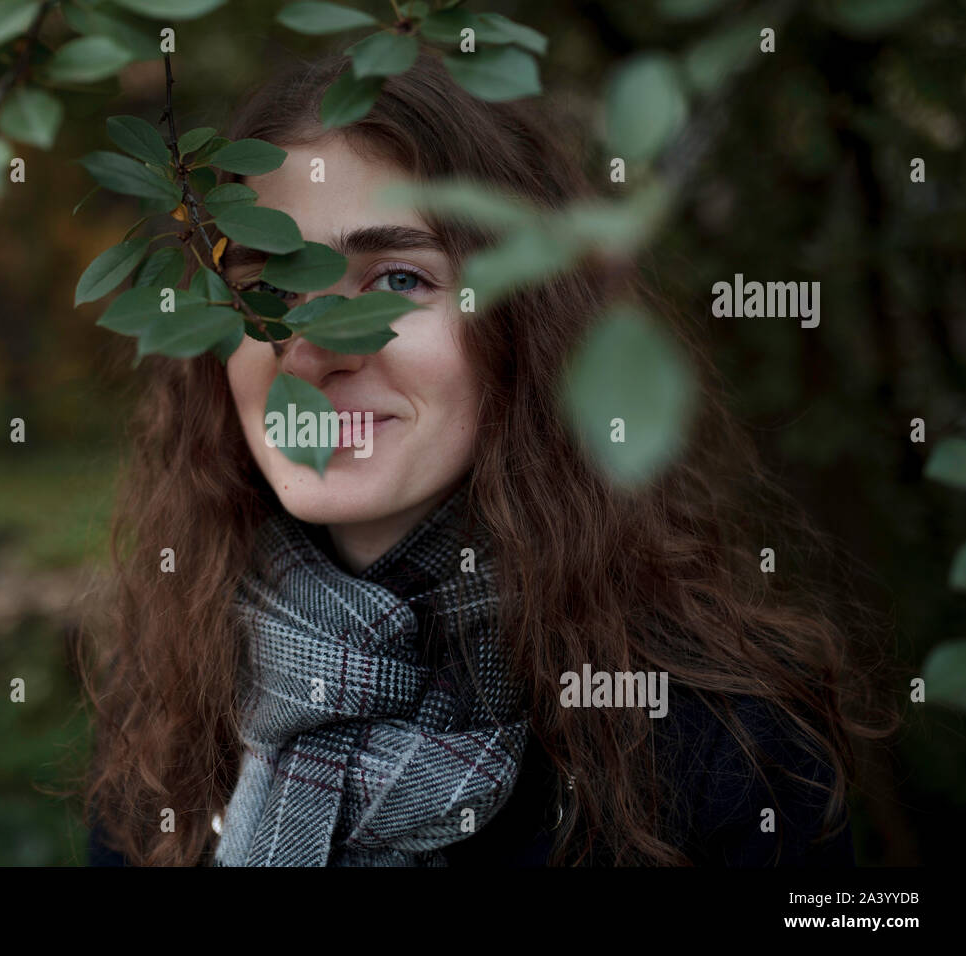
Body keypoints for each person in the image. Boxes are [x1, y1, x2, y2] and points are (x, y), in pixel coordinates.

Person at [78, 48, 891, 867]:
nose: (314, 349)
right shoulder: (167, 716)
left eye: (397, 280)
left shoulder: (716, 741)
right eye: (270, 292)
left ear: (523, 326)